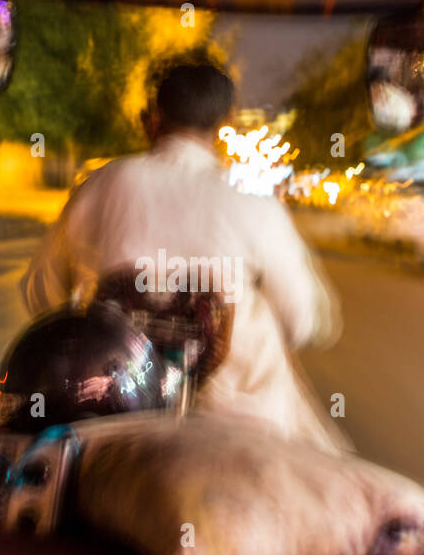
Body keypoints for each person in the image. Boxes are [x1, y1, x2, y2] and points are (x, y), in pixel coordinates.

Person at [20, 61, 348, 452]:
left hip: (107, 416)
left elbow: (40, 295)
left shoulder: (101, 185)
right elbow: (302, 322)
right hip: (244, 424)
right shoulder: (254, 204)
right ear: (222, 124)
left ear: (154, 117)